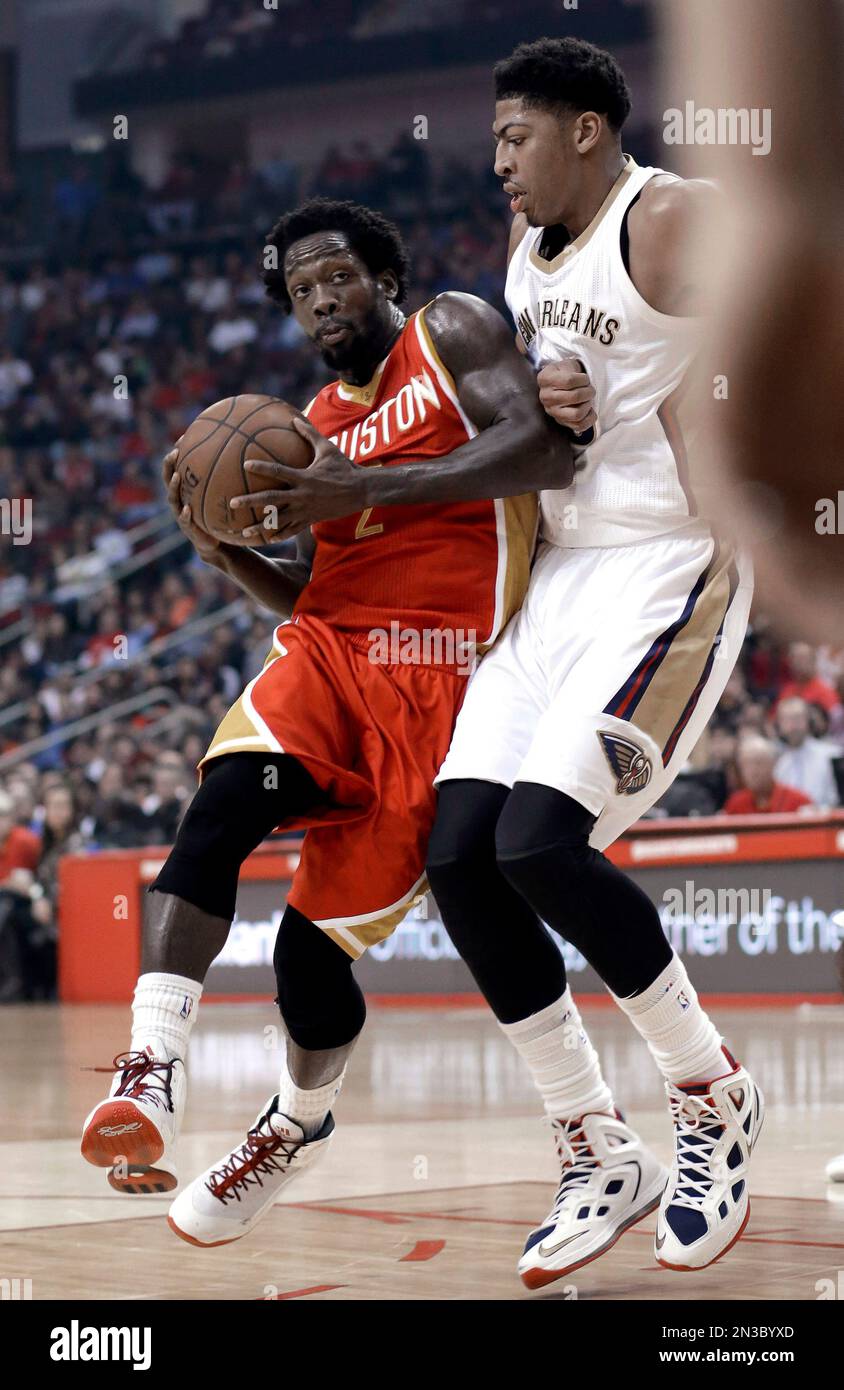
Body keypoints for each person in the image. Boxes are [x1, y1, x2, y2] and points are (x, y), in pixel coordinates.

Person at [256, 39, 764, 1285]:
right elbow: (555, 410)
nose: (496, 165)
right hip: (552, 590)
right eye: (490, 144)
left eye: (515, 139)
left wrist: (724, 393)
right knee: (459, 857)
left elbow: (794, 285)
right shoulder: (524, 259)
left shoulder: (670, 215)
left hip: (667, 565)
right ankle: (595, 1142)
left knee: (542, 841)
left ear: (588, 130)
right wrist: (556, 398)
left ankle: (710, 1095)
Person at [79, 198, 570, 1245]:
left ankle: (295, 1120)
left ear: (381, 274)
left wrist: (368, 483)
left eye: (336, 277)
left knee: (309, 960)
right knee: (219, 810)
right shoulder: (307, 426)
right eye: (301, 292)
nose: (321, 301)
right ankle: (151, 1062)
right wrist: (228, 553)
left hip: (441, 682)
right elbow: (309, 589)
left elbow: (538, 450)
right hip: (330, 657)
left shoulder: (453, 331)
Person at [774, 698, 840, 809]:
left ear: (808, 721)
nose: (793, 725)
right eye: (787, 719)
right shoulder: (779, 765)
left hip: (826, 821)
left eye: (797, 718)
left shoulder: (832, 755)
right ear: (779, 724)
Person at [723, 737, 813, 816]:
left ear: (773, 764)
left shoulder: (798, 802)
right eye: (745, 764)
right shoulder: (735, 804)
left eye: (758, 763)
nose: (752, 771)